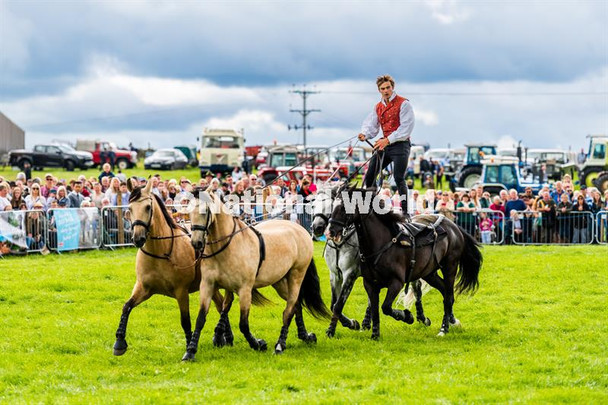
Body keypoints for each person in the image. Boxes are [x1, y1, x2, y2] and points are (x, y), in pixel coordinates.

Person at [358, 74, 415, 221]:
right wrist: (365, 134)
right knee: (370, 175)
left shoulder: (404, 103)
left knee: (398, 177)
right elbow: (372, 125)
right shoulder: (378, 107)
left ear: (392, 87)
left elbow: (406, 128)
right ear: (379, 90)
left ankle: (405, 212)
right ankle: (370, 206)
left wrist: (387, 140)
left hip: (400, 145)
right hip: (385, 145)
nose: (386, 90)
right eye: (383, 88)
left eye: (388, 87)